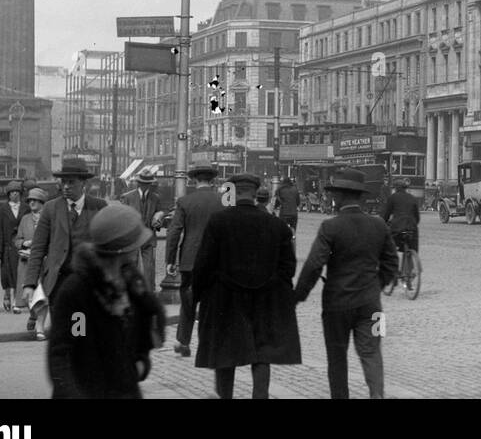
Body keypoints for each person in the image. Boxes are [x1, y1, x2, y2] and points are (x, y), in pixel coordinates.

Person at [192, 173, 301, 400]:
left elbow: (203, 263)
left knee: (225, 353)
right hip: (265, 299)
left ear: (233, 192)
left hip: (226, 298)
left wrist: (198, 295)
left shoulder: (218, 222)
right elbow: (288, 267)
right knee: (261, 354)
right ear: (255, 194)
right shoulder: (277, 225)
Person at [295, 168, 397, 400]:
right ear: (360, 196)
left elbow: (313, 266)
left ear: (339, 196)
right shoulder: (379, 225)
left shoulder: (330, 227)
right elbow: (392, 265)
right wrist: (375, 286)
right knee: (373, 353)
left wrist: (298, 296)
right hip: (373, 307)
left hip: (336, 306)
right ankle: (377, 396)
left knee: (336, 357)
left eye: (334, 195)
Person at [46, 203, 167, 399]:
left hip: (124, 390)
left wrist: (141, 363)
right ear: (121, 250)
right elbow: (62, 353)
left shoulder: (132, 281)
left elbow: (147, 324)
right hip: (86, 393)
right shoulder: (78, 290)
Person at [22, 159, 109, 308]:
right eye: (63, 182)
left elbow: (108, 248)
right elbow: (38, 248)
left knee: (79, 326)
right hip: (58, 283)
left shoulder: (99, 207)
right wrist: (30, 284)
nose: (66, 186)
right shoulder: (51, 208)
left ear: (83, 183)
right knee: (64, 326)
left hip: (88, 282)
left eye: (71, 182)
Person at [164, 163, 224, 358]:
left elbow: (174, 232)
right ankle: (210, 344)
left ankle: (183, 342)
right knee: (212, 303)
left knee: (188, 303)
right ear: (212, 180)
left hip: (190, 260)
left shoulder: (184, 201)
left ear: (194, 180)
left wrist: (170, 260)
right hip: (215, 261)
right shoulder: (222, 201)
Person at [15, 187, 48, 337]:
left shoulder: (47, 218)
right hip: (26, 262)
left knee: (42, 295)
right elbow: (17, 239)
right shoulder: (25, 219)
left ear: (42, 202)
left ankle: (40, 327)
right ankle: (33, 314)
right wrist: (23, 243)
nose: (32, 203)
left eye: (35, 200)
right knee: (28, 294)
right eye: (30, 200)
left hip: (43, 262)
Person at [120, 168, 162, 283]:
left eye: (147, 184)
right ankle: (131, 292)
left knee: (149, 267)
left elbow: (159, 213)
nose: (145, 186)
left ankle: (149, 292)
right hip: (132, 239)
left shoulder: (155, 198)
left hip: (148, 238)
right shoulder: (127, 197)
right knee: (131, 266)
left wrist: (158, 218)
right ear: (138, 183)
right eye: (143, 183)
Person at [0, 181, 25, 313]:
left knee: (19, 274)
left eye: (17, 192)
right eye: (12, 192)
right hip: (7, 247)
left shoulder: (26, 208)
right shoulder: (2, 210)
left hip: (21, 246)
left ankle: (16, 301)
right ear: (8, 194)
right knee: (7, 275)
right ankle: (7, 295)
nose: (15, 194)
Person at [381, 178, 420, 271]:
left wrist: (383, 223)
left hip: (397, 228)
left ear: (395, 188)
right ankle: (411, 267)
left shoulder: (392, 198)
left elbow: (386, 214)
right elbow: (417, 217)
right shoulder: (412, 198)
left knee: (390, 246)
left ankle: (392, 267)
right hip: (411, 227)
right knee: (412, 246)